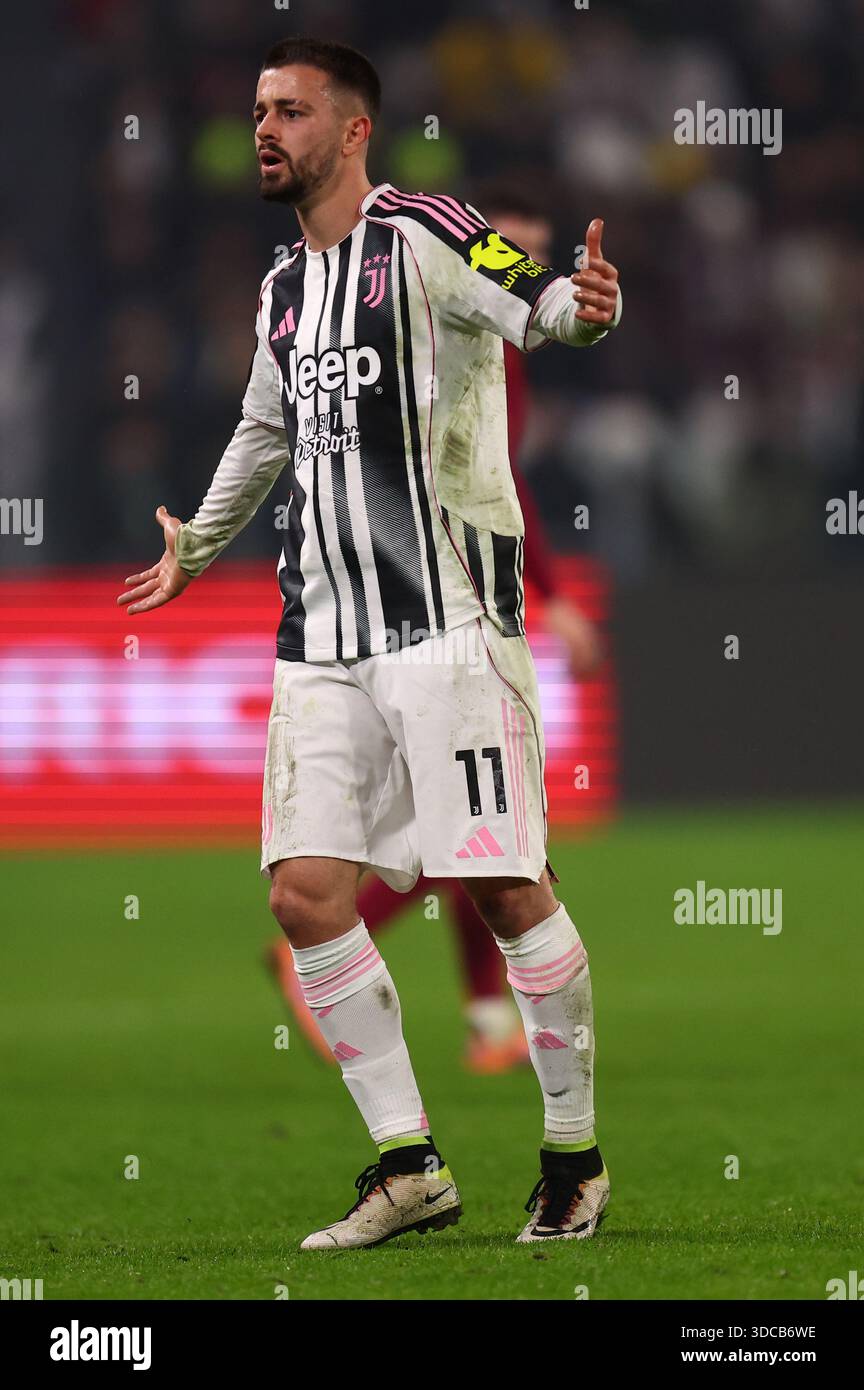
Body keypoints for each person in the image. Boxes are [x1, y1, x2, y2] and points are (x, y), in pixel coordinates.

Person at [117, 37, 622, 1250]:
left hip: (445, 622)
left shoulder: (424, 231)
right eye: (256, 110)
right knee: (303, 894)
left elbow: (534, 300)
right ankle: (409, 1162)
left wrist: (582, 308)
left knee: (502, 884)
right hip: (319, 635)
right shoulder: (281, 286)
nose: (263, 129)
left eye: (288, 110)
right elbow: (261, 427)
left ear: (351, 130)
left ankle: (573, 1157)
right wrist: (200, 545)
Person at [264, 181, 605, 1078]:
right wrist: (556, 594)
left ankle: (485, 1013)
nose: (524, 256)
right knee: (475, 832)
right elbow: (493, 482)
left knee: (461, 831)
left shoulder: (492, 330)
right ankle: (491, 1029)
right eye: (513, 239)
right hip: (433, 613)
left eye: (538, 241)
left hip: (421, 607)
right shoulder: (443, 318)